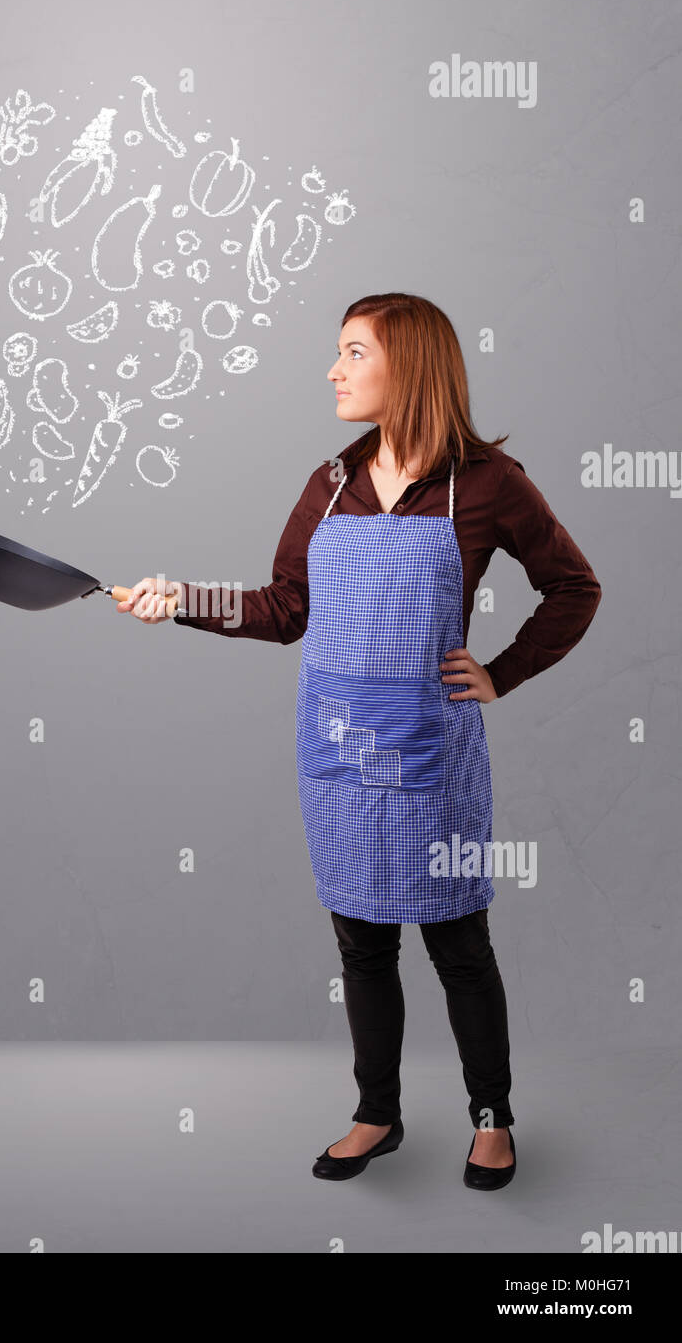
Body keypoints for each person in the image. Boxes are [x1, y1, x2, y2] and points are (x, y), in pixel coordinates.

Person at [118, 293, 602, 1189]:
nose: (334, 371)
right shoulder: (331, 483)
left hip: (433, 757)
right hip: (339, 753)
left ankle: (491, 1117)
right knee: (361, 945)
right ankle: (377, 1113)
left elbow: (574, 586)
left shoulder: (486, 483)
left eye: (352, 353)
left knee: (459, 946)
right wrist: (181, 599)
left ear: (407, 365)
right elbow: (283, 609)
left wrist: (501, 671)